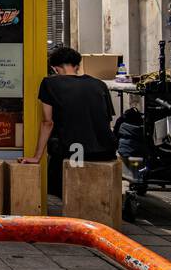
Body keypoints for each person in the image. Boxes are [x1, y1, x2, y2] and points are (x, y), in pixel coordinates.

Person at [21, 45, 116, 196]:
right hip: (106, 152)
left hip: (74, 154)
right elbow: (107, 119)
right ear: (77, 66)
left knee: (57, 155)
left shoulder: (50, 84)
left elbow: (48, 122)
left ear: (55, 68)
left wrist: (37, 157)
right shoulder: (99, 84)